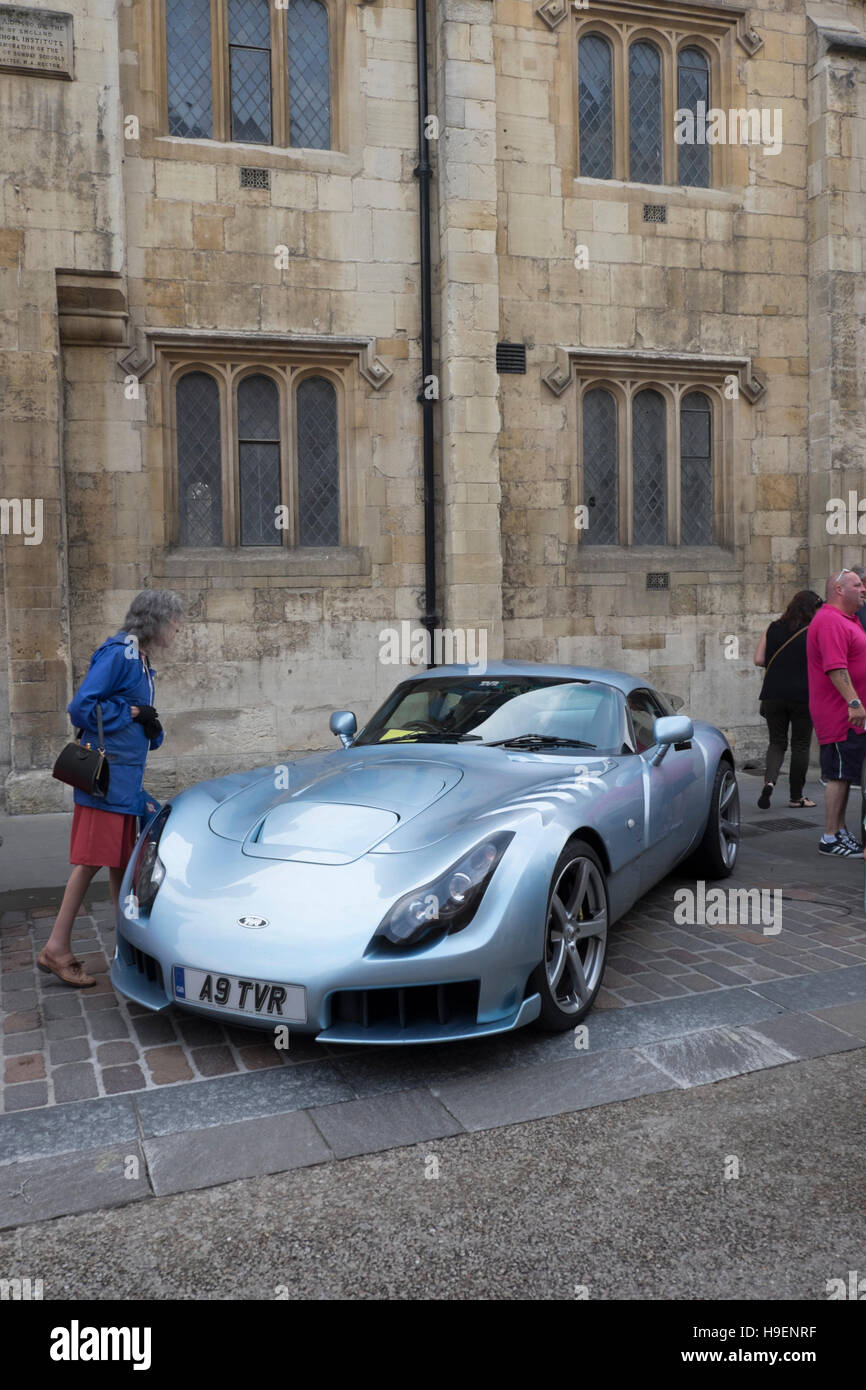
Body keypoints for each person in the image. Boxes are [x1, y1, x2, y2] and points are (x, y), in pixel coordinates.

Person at [38, 591, 184, 985]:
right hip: (105, 781)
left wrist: (152, 728)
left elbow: (137, 723)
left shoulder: (142, 661)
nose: (178, 629)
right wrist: (133, 712)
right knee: (90, 863)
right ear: (157, 621)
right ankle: (56, 948)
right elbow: (81, 708)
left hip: (126, 783)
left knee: (122, 862)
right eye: (174, 622)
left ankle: (127, 947)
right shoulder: (121, 653)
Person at [806, 568, 866, 857]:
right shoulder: (830, 620)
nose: (863, 588)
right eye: (857, 584)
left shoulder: (846, 619)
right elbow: (834, 666)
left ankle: (840, 830)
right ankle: (830, 836)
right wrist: (853, 702)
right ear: (839, 590)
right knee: (838, 775)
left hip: (850, 716)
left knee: (844, 773)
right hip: (840, 715)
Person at [753, 589, 822, 809]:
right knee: (800, 745)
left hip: (773, 694)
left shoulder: (773, 627)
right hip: (803, 695)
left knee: (776, 742)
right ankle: (796, 797)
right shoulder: (814, 631)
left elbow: (758, 659)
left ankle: (770, 782)